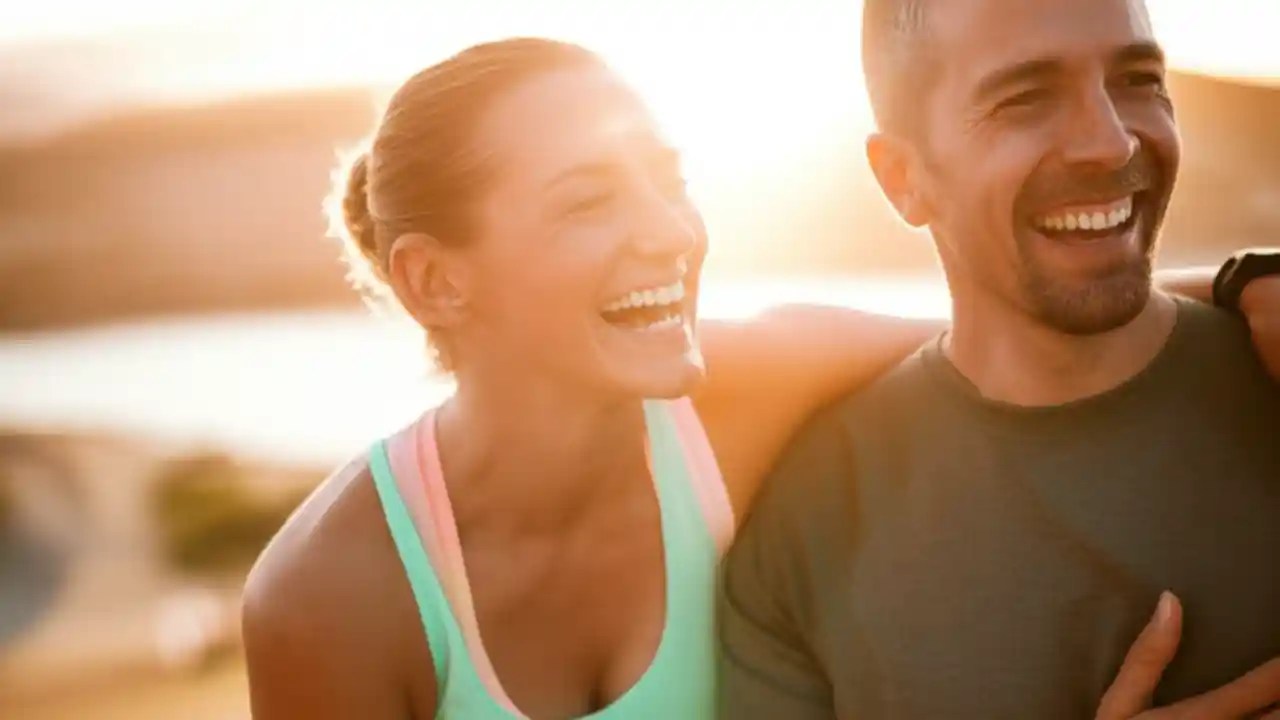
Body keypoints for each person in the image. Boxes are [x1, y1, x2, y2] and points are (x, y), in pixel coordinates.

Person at [239, 38, 1280, 719]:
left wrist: (1244, 283)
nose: (670, 233)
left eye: (668, 179)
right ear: (434, 280)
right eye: (585, 202)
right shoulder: (330, 601)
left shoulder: (733, 392)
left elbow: (1008, 306)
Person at [718, 0, 1280, 718]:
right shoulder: (809, 527)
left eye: (1137, 80)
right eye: (1025, 99)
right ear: (902, 178)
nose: (1109, 142)